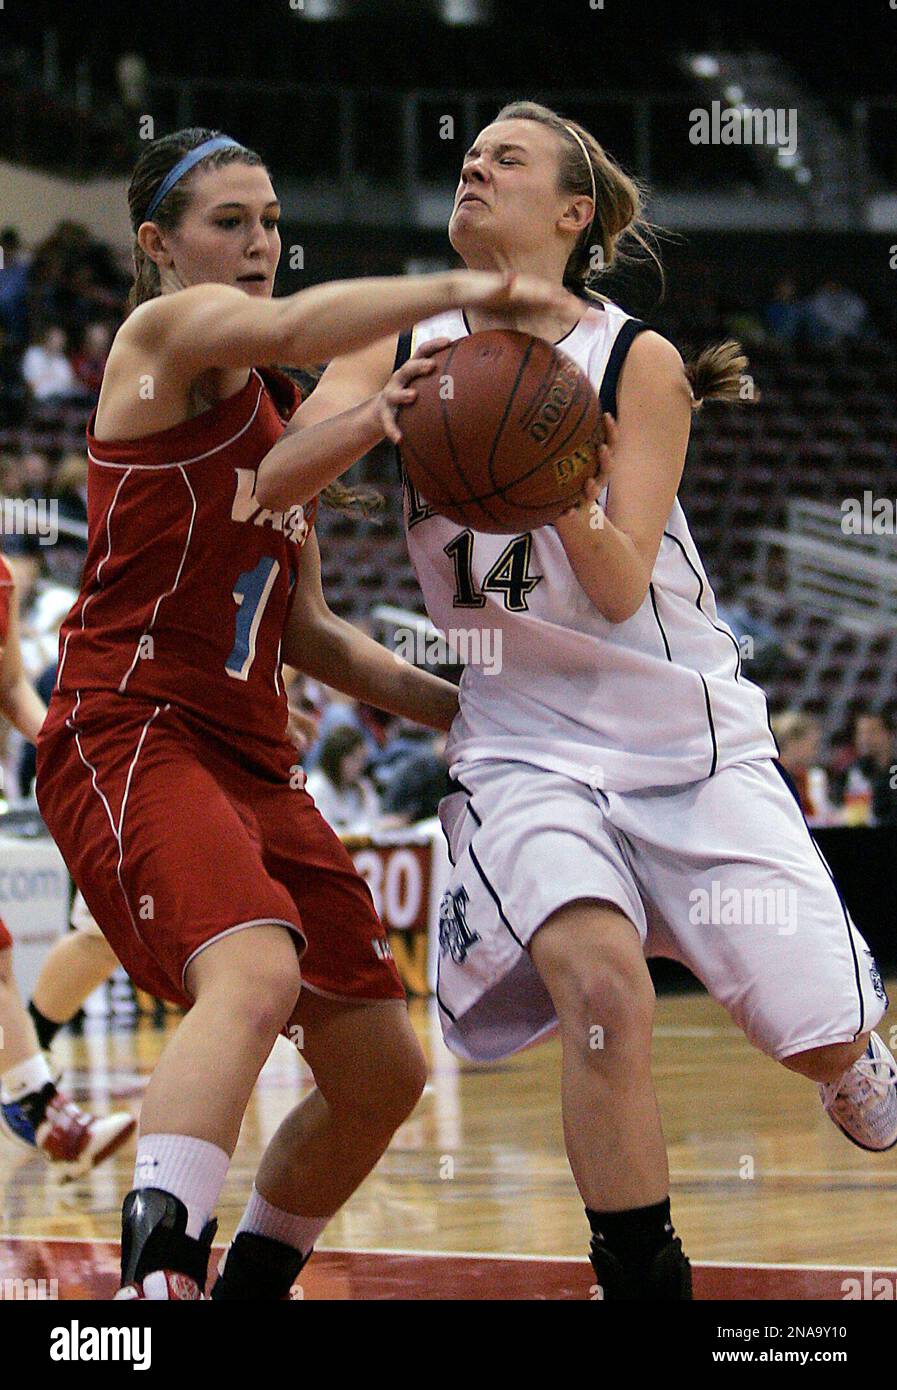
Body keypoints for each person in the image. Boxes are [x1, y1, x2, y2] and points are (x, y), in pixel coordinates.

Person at [256, 100, 895, 1301]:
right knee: (602, 989)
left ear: (572, 213)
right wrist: (375, 418)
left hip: (685, 738)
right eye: (469, 156)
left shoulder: (635, 361)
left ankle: (851, 1049)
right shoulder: (398, 338)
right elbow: (270, 480)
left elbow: (614, 587)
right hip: (523, 746)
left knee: (817, 1037)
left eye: (506, 158)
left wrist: (555, 483)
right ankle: (641, 1276)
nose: (475, 167)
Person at [34, 127, 574, 1300]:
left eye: (271, 221)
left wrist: (470, 709)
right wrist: (474, 289)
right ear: (157, 243)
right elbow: (293, 327)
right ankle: (155, 1285)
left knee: (383, 1070)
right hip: (131, 724)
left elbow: (311, 631)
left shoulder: (279, 422)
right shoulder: (157, 341)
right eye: (229, 222)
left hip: (252, 757)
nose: (260, 242)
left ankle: (249, 1286)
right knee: (254, 968)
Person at [0, 554, 136, 1178]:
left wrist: (64, 744)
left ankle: (37, 1107)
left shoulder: (2, 578)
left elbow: (9, 688)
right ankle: (38, 1106)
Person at [304, 724, 381, 833]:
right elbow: (321, 832)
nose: (360, 766)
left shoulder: (363, 787)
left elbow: (374, 822)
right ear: (338, 758)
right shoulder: (315, 787)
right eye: (355, 759)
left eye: (362, 759)